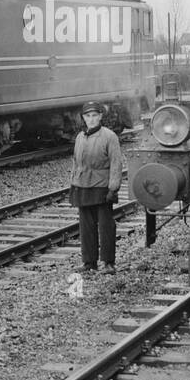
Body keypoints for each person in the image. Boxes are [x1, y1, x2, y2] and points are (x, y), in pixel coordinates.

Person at [69, 102, 123, 272]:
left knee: (106, 226)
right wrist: (73, 184)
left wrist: (113, 188)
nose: (91, 119)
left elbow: (116, 163)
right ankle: (89, 262)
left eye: (94, 116)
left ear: (100, 116)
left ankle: (108, 263)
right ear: (83, 118)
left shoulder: (109, 136)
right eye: (87, 116)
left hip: (102, 187)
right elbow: (76, 163)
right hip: (83, 186)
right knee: (86, 226)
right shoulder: (80, 137)